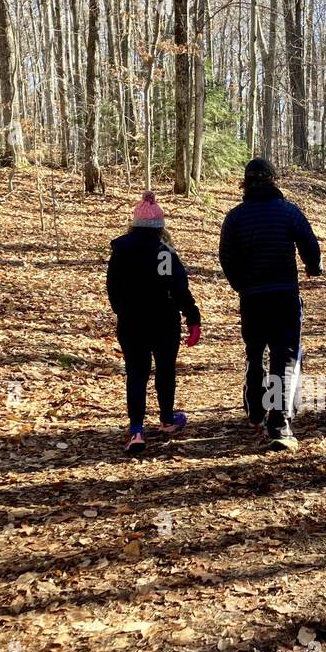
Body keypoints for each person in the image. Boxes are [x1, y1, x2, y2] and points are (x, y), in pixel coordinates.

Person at [219, 158, 322, 451]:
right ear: (273, 180)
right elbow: (310, 247)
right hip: (284, 297)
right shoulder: (289, 212)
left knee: (254, 353)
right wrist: (313, 268)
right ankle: (278, 424)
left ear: (246, 182)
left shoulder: (235, 217)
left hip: (252, 298)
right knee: (283, 359)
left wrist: (242, 285)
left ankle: (255, 411)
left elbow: (226, 257)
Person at [106, 191, 201, 455]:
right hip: (164, 321)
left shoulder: (121, 252)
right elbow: (179, 288)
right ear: (160, 227)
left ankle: (136, 429)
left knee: (136, 373)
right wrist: (192, 316)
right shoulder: (165, 254)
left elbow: (113, 289)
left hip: (131, 323)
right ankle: (167, 420)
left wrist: (122, 310)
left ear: (134, 225)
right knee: (165, 370)